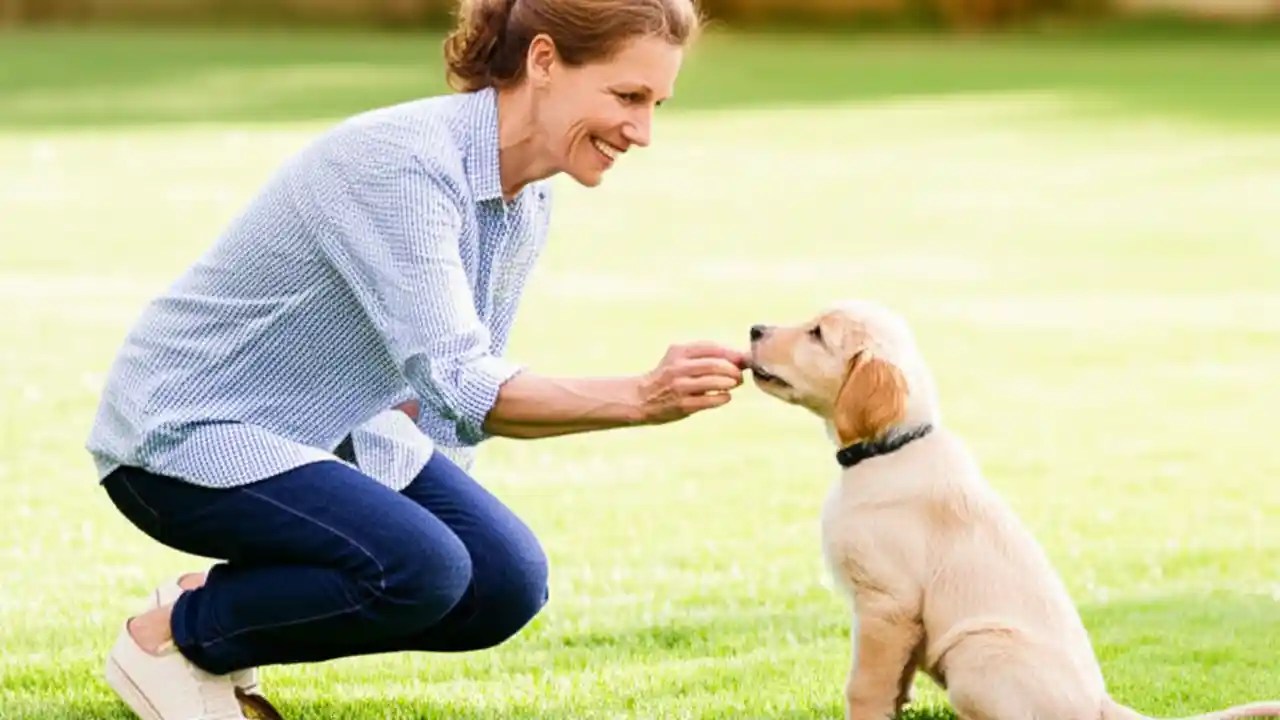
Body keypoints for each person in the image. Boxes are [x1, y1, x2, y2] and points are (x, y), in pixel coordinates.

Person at [87, 0, 748, 717]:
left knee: (501, 581)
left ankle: (222, 612)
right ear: (545, 61)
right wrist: (642, 397)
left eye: (655, 104)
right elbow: (467, 384)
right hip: (184, 433)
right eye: (628, 96)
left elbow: (445, 404)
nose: (642, 131)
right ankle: (176, 637)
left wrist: (427, 522)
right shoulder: (402, 164)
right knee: (425, 568)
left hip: (328, 433)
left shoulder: (525, 197)